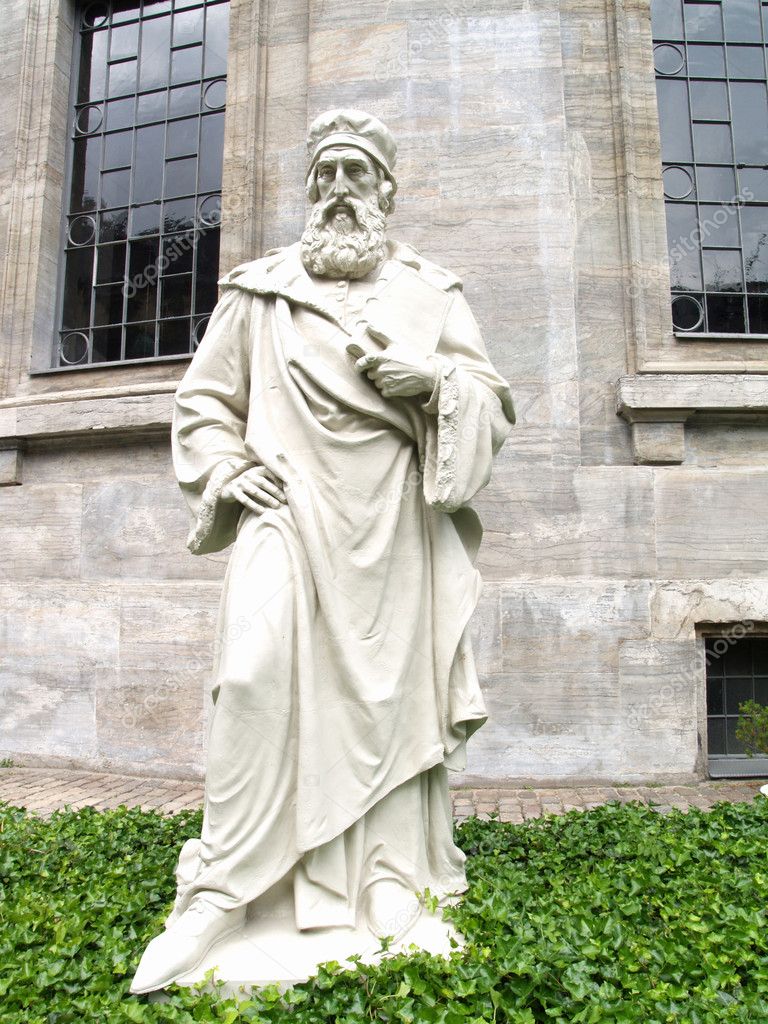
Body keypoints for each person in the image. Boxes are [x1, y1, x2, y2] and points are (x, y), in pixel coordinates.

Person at [131, 109, 515, 994]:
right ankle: (222, 890)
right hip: (287, 516)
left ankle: (382, 875)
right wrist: (226, 467)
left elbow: (492, 403)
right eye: (326, 175)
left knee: (385, 694)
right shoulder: (257, 292)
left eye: (357, 174)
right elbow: (203, 404)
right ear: (311, 190)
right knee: (254, 675)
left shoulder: (434, 293)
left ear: (386, 189)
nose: (340, 190)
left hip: (391, 525)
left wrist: (434, 385)